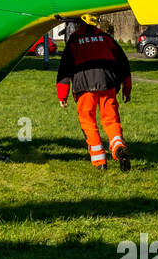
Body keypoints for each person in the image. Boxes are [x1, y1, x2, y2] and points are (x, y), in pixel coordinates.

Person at [56, 13, 134, 171]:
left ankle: (100, 162)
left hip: (85, 88)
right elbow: (123, 64)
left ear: (79, 23)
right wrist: (127, 88)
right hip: (108, 84)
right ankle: (118, 147)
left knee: (88, 122)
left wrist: (62, 94)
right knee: (111, 120)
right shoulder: (107, 38)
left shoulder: (74, 40)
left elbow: (64, 69)